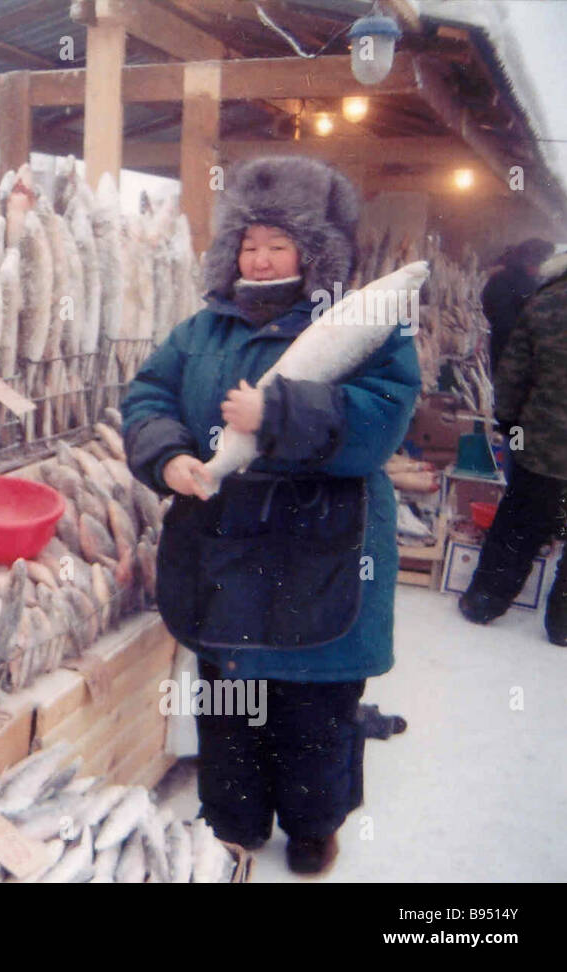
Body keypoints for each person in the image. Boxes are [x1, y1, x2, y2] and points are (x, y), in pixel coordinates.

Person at [121, 157, 421, 875]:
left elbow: (383, 421)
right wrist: (167, 458)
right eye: (249, 243)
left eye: (277, 244)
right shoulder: (201, 329)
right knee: (232, 692)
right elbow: (148, 397)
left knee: (314, 704)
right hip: (222, 539)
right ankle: (233, 817)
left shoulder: (368, 325)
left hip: (323, 542)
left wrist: (278, 412)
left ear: (312, 253)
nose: (259, 257)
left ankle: (316, 824)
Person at [460, 252, 567, 645]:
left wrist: (508, 421)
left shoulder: (545, 303)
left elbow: (513, 374)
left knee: (519, 524)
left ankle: (484, 601)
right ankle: (563, 626)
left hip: (542, 443)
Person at [481, 238, 553, 373]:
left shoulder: (503, 278)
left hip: (506, 348)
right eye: (542, 262)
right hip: (513, 350)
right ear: (530, 262)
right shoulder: (521, 282)